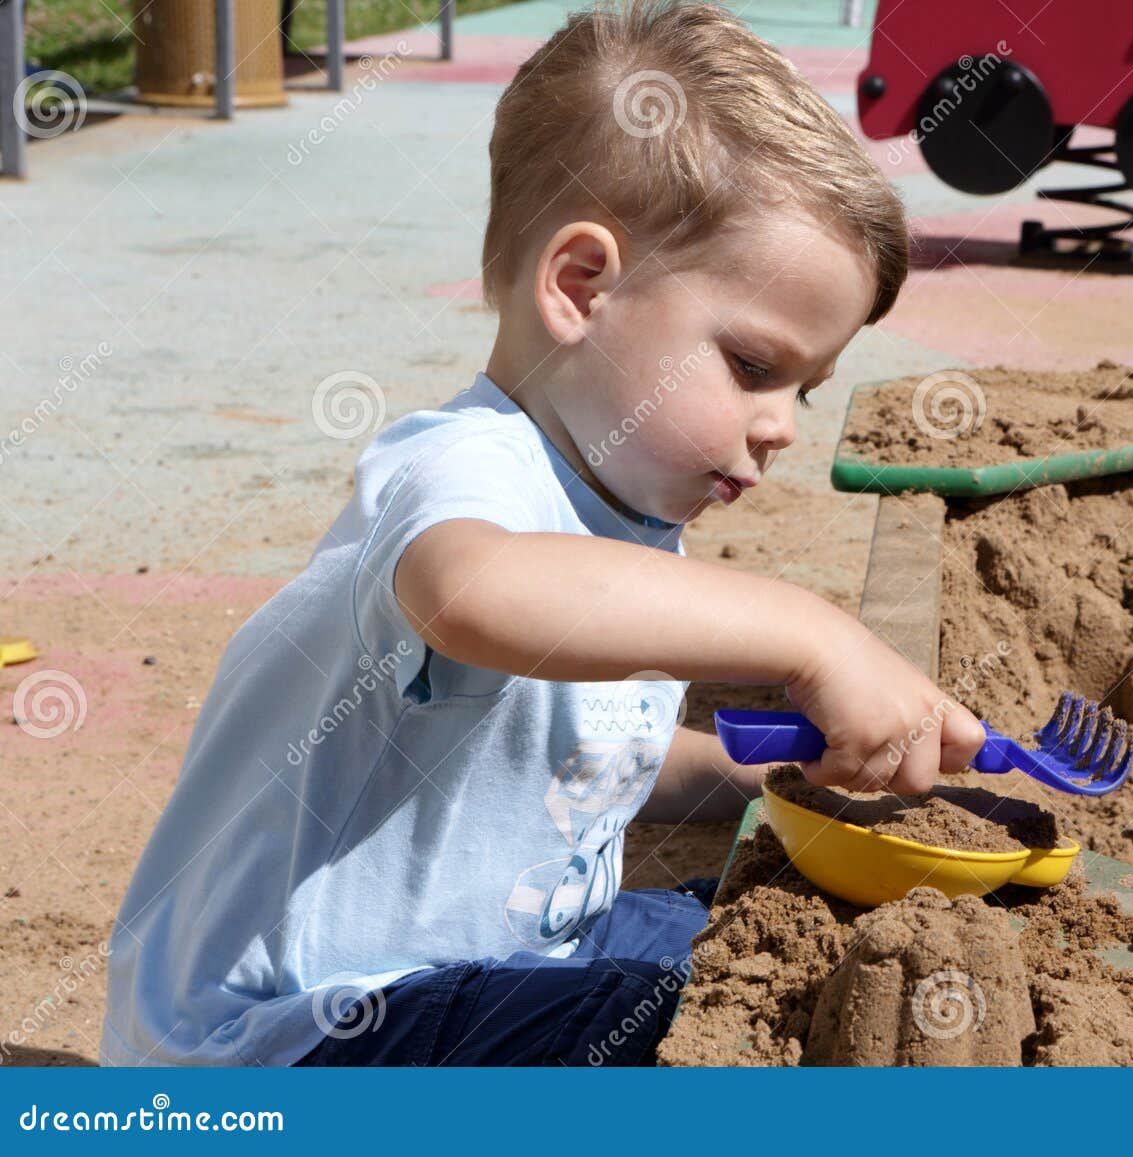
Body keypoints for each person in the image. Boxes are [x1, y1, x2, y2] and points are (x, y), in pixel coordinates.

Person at [100, 0, 986, 1068]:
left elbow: (584, 760)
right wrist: (812, 633)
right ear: (581, 285)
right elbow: (469, 596)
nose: (782, 425)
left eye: (807, 384)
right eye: (754, 366)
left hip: (495, 965)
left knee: (771, 928)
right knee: (692, 1017)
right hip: (288, 1035)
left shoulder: (629, 509)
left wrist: (775, 786)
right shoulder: (465, 471)